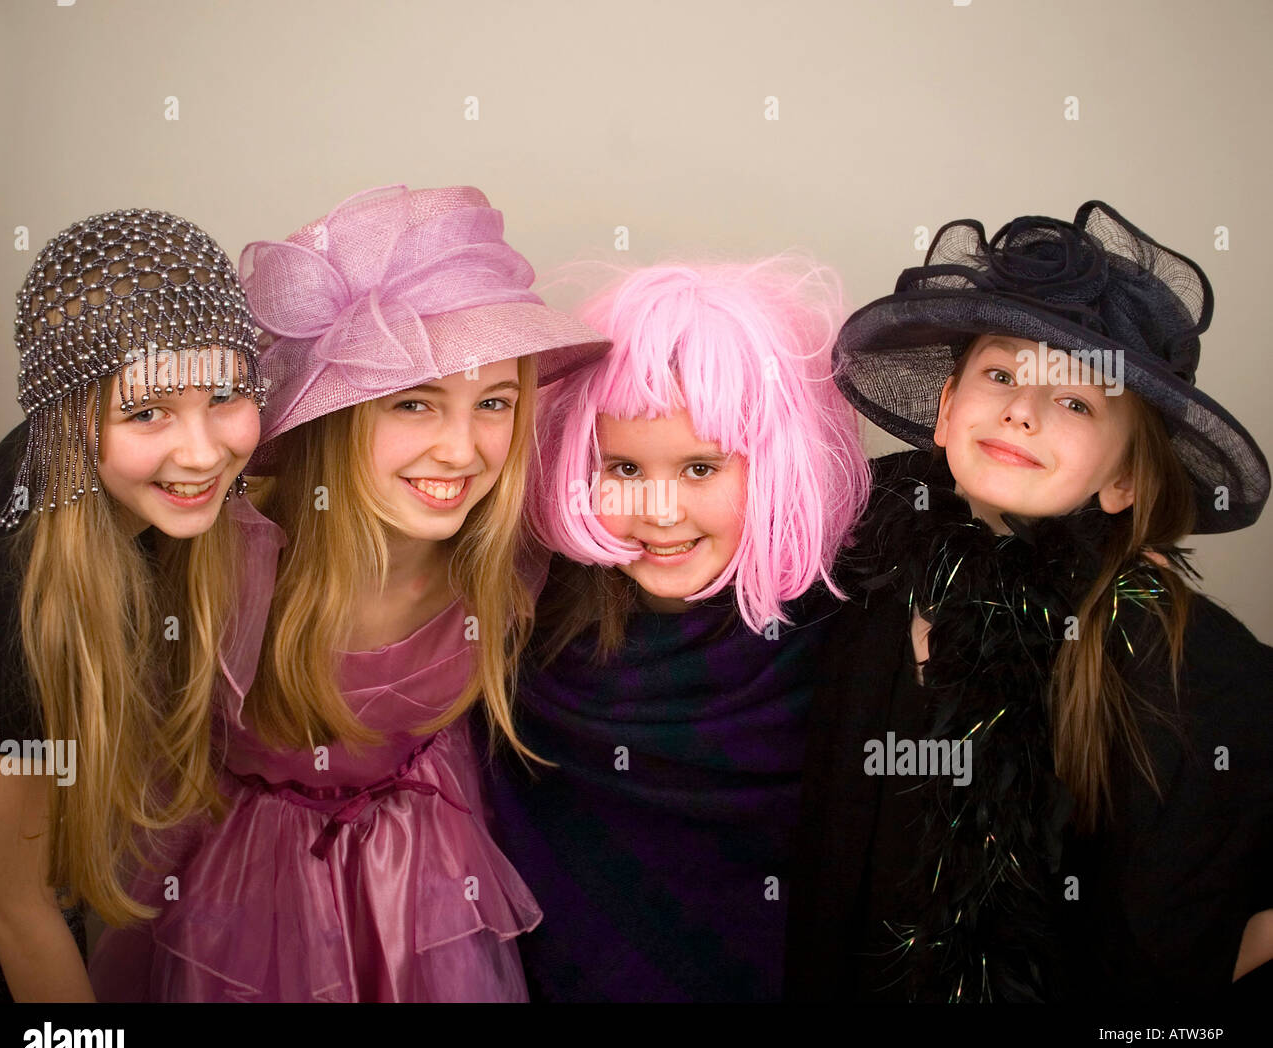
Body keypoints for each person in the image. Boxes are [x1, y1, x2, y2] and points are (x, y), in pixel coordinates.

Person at [87, 183, 609, 1002]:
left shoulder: (507, 563)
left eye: (495, 403)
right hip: (247, 886)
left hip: (428, 881)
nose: (462, 449)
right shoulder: (228, 558)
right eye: (414, 403)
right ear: (335, 420)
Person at [785, 200, 1273, 1002]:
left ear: (1124, 479)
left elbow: (1179, 925)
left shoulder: (1167, 653)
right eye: (1002, 374)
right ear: (946, 411)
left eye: (1077, 402)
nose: (1022, 408)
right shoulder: (855, 574)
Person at [479, 259, 870, 1001]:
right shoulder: (529, 634)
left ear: (781, 468)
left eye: (699, 469)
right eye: (623, 468)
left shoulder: (845, 652)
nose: (660, 511)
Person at [0, 208, 265, 1001]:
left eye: (227, 397)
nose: (204, 453)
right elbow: (13, 907)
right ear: (71, 423)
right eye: (147, 414)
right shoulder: (16, 598)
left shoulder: (130, 481)